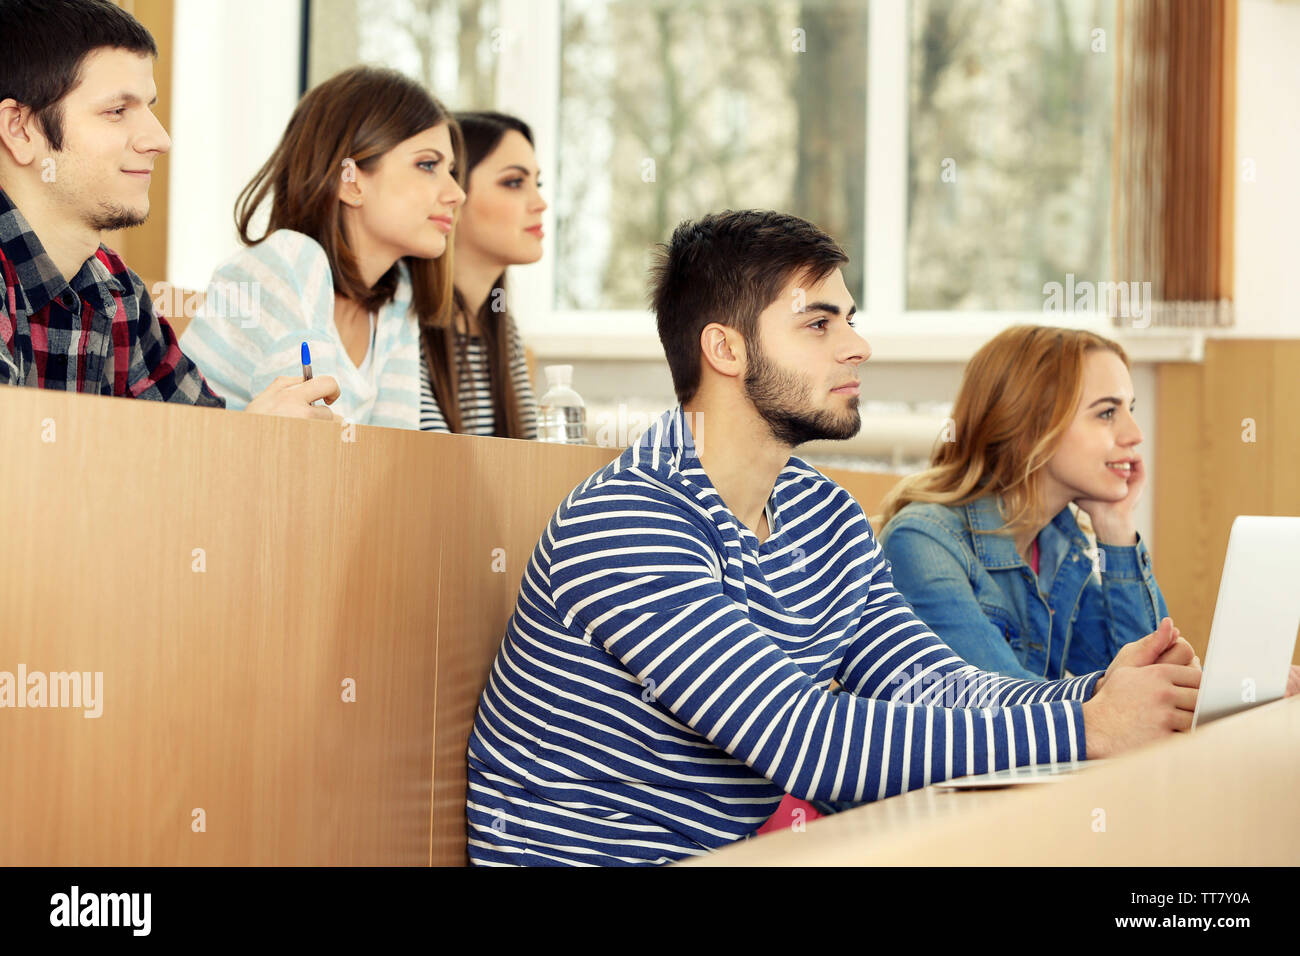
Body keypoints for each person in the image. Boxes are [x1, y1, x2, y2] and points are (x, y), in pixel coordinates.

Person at [465, 210, 1201, 866]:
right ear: (725, 349)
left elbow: (930, 685)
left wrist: (1116, 693)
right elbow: (805, 737)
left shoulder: (824, 513)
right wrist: (1086, 729)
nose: (858, 346)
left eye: (849, 319)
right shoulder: (625, 523)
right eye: (819, 325)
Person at [0, 0, 337, 419]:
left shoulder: (119, 291)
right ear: (20, 129)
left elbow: (189, 448)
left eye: (149, 108)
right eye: (117, 111)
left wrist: (257, 437)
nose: (159, 139)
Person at [178, 66, 464, 429]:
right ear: (351, 182)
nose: (457, 193)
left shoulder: (398, 296)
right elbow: (309, 447)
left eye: (451, 170)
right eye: (427, 165)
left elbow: (396, 450)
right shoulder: (290, 263)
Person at [875, 326, 1167, 680]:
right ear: (1030, 424)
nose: (1135, 434)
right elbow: (1004, 706)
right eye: (1107, 413)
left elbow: (1152, 675)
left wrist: (1116, 524)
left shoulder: (1057, 544)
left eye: (1130, 409)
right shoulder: (922, 542)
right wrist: (1121, 695)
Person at [433, 110, 544, 437]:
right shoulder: (403, 324)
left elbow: (524, 461)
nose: (540, 202)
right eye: (514, 182)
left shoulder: (504, 331)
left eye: (537, 183)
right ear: (452, 194)